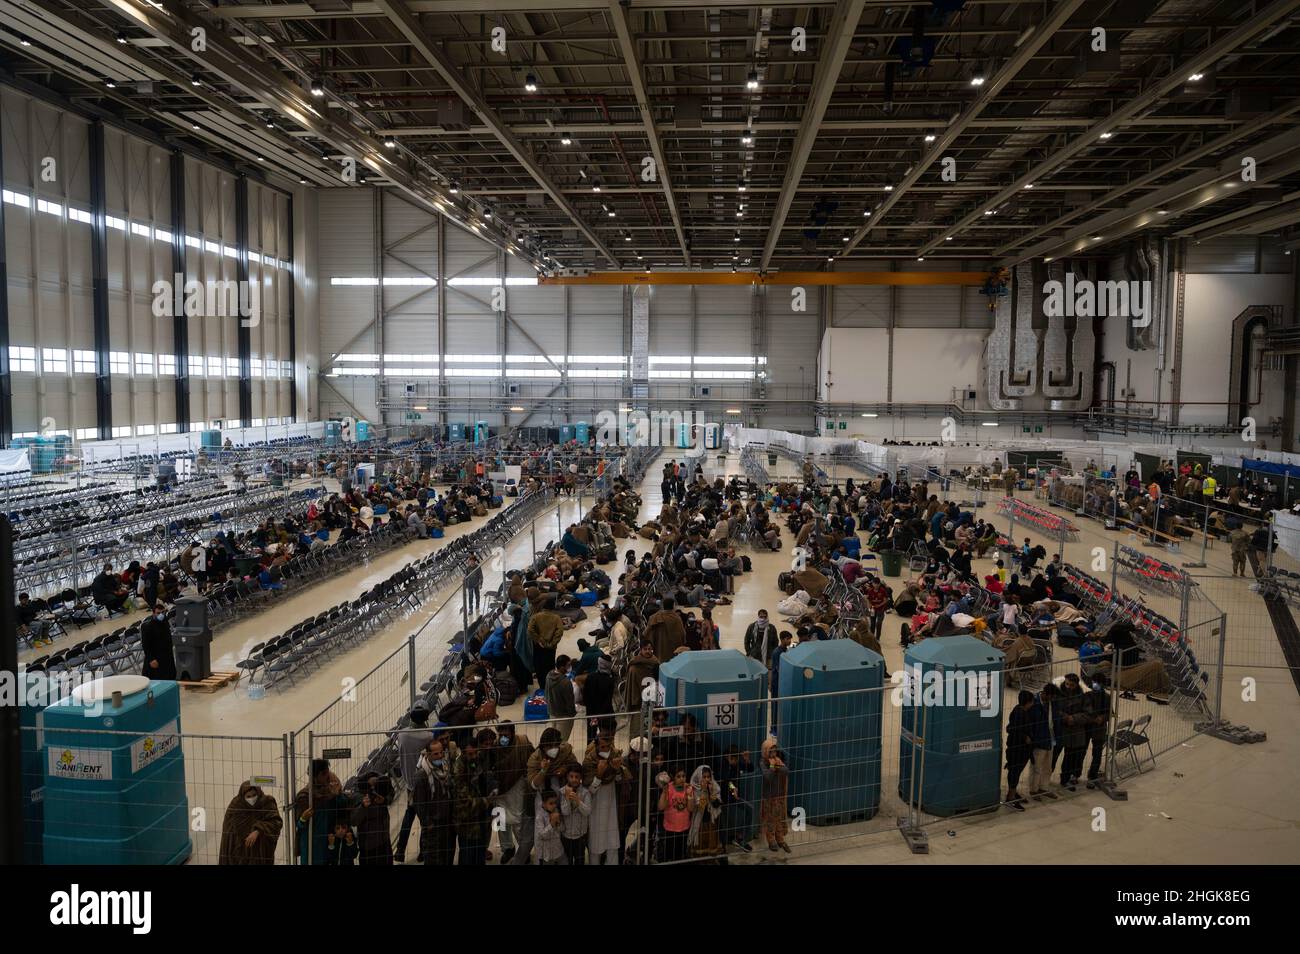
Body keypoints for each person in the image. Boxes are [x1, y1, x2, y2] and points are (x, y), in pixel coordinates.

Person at [393, 706, 435, 863]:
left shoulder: (402, 734)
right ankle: (423, 851)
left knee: (408, 817)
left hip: (409, 783)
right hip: (423, 783)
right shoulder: (428, 736)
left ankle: (400, 851)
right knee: (425, 818)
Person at [583, 728, 629, 864]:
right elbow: (589, 790)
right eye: (602, 747)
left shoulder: (615, 755)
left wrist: (617, 770)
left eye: (608, 746)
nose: (606, 750)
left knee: (612, 844)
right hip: (596, 808)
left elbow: (621, 781)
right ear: (596, 746)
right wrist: (599, 774)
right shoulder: (589, 761)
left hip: (612, 807)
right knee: (596, 845)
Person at [492, 720, 535, 865]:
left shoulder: (522, 743)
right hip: (499, 790)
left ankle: (523, 851)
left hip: (517, 787)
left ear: (512, 733)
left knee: (518, 821)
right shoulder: (494, 746)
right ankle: (507, 849)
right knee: (499, 820)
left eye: (506, 734)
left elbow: (532, 760)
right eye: (501, 734)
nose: (503, 738)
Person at [452, 729, 497, 864]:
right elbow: (465, 802)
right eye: (470, 754)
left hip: (481, 820)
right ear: (463, 753)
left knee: (479, 856)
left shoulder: (476, 761)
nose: (474, 756)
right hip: (467, 824)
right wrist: (487, 800)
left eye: (475, 752)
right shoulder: (459, 771)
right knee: (468, 856)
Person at [294, 758, 346, 865]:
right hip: (311, 845)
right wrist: (303, 819)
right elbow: (299, 824)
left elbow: (342, 808)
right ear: (314, 777)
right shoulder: (305, 796)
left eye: (328, 772)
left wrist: (338, 793)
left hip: (329, 842)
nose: (328, 776)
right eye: (324, 774)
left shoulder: (331, 791)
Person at [412, 738, 456, 865]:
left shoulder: (446, 768)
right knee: (434, 860)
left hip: (448, 824)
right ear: (428, 754)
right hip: (433, 827)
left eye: (441, 752)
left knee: (448, 857)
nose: (439, 755)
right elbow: (419, 804)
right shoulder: (422, 775)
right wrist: (428, 823)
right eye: (435, 753)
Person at [218, 781, 282, 865]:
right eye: (248, 796)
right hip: (240, 855)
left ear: (258, 793)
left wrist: (259, 830)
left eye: (254, 795)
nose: (252, 798)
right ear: (243, 796)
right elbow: (228, 834)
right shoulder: (236, 806)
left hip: (261, 854)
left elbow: (276, 822)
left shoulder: (267, 803)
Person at [351, 772, 394, 864]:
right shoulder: (358, 796)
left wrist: (384, 800)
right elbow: (354, 821)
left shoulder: (381, 785)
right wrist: (363, 806)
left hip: (385, 841)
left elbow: (391, 792)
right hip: (369, 848)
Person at [1055, 674, 1089, 791]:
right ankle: (1043, 781)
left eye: (1071, 685)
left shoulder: (1083, 696)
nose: (1068, 687)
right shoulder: (1058, 693)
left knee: (1070, 757)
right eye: (1067, 684)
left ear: (1076, 685)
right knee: (1053, 756)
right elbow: (1054, 709)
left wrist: (1073, 718)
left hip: (1074, 731)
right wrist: (1065, 717)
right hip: (1059, 730)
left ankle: (1065, 779)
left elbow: (1087, 714)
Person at [1004, 690, 1035, 811]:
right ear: (1028, 702)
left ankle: (1013, 792)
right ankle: (1010, 798)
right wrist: (1025, 737)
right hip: (1017, 749)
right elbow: (1013, 729)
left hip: (1019, 749)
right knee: (1015, 772)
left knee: (1016, 772)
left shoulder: (1020, 710)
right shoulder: (1019, 713)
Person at [657, 766, 694, 863]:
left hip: (684, 827)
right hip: (670, 828)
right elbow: (661, 807)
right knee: (669, 854)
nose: (682, 779)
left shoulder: (688, 788)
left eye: (683, 776)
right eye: (678, 776)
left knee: (680, 854)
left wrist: (690, 796)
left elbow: (690, 809)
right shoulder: (668, 788)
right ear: (673, 777)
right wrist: (664, 792)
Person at [759, 739, 790, 853]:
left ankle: (780, 839)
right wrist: (773, 767)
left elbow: (786, 770)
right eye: (771, 751)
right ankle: (771, 840)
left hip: (779, 794)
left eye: (774, 751)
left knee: (779, 818)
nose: (773, 754)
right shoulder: (763, 762)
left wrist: (778, 766)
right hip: (768, 795)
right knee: (770, 819)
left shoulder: (777, 759)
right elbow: (768, 777)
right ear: (766, 751)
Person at [557, 762, 592, 864]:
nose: (574, 779)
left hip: (581, 835)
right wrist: (567, 799)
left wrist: (578, 801)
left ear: (581, 777)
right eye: (571, 776)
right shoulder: (562, 792)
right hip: (566, 835)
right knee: (567, 860)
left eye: (577, 777)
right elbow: (565, 812)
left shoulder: (585, 793)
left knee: (580, 860)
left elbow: (587, 812)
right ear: (567, 777)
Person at [545, 655, 577, 742]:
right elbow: (569, 701)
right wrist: (572, 713)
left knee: (554, 739)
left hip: (552, 712)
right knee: (562, 741)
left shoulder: (548, 676)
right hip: (564, 716)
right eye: (568, 665)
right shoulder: (565, 682)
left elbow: (546, 694)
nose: (570, 667)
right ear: (562, 667)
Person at [140, 607, 177, 680]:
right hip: (155, 657)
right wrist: (151, 659)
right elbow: (145, 645)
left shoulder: (165, 622)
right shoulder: (148, 627)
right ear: (153, 614)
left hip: (167, 656)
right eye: (158, 613)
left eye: (162, 612)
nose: (161, 615)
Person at [534, 789, 566, 865]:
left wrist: (558, 823)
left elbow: (563, 829)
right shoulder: (539, 817)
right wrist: (551, 824)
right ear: (543, 804)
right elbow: (542, 835)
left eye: (555, 803)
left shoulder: (556, 811)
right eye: (551, 803)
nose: (554, 805)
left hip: (558, 849)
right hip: (546, 853)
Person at [769, 631, 793, 729]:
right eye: (788, 639)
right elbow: (779, 669)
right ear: (782, 639)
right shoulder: (777, 652)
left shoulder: (785, 650)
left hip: (780, 682)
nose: (790, 641)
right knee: (775, 705)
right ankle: (774, 727)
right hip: (776, 683)